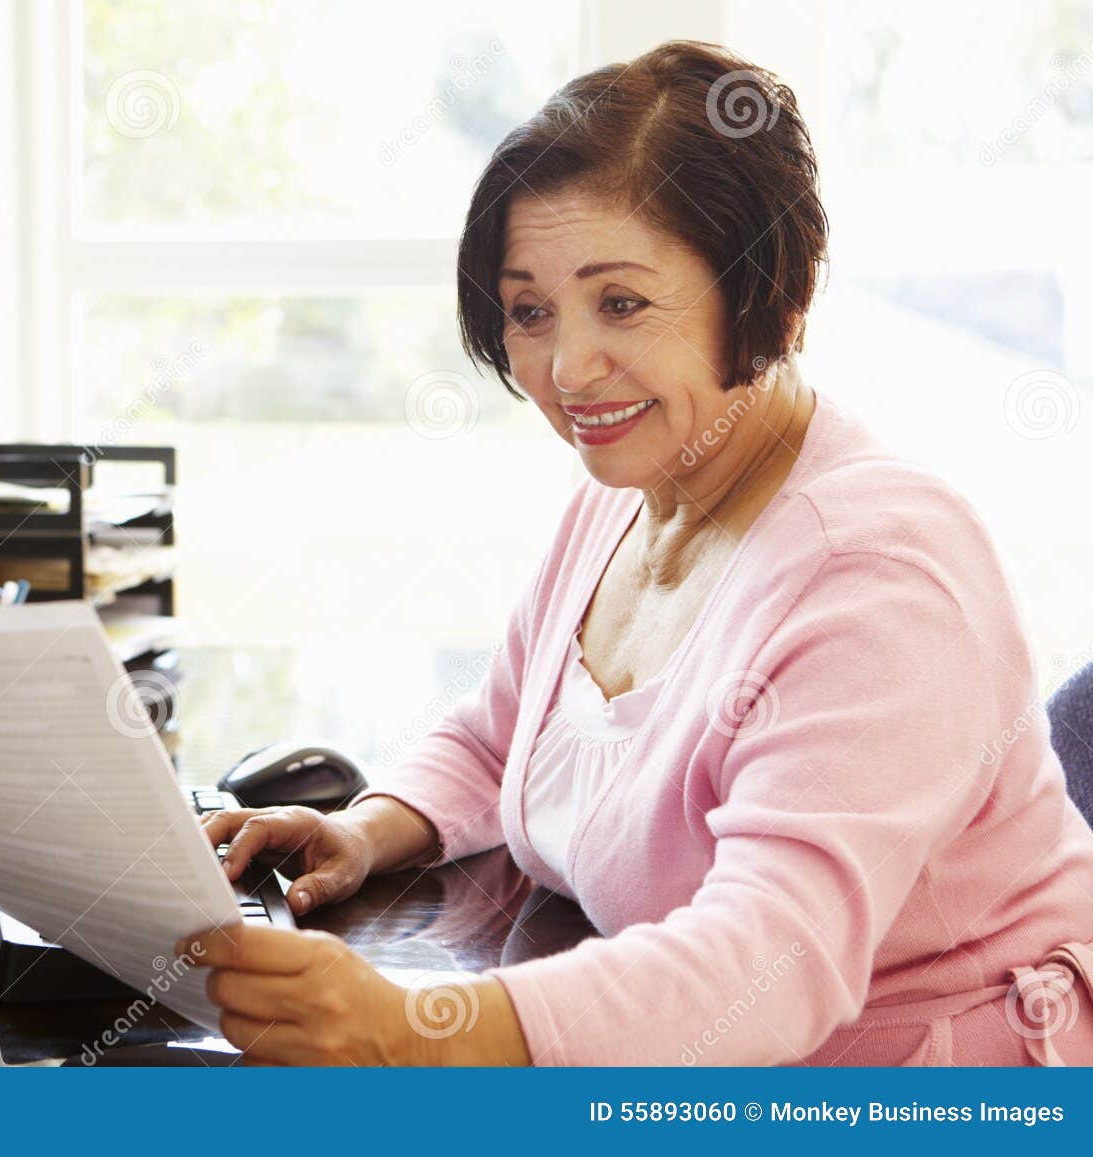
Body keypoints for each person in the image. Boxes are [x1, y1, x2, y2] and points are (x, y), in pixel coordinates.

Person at [185, 40, 1093, 1066]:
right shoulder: (627, 494)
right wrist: (366, 827)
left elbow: (768, 962)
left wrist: (417, 1030)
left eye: (620, 302)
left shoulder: (880, 572)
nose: (567, 368)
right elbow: (502, 733)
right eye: (529, 311)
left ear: (766, 296)